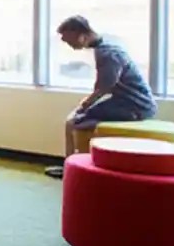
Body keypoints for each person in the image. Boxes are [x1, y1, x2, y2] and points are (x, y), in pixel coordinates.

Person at [45, 15, 158, 179]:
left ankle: (75, 168)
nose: (69, 45)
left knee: (73, 121)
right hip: (129, 102)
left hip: (135, 106)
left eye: (70, 41)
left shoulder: (108, 53)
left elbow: (105, 86)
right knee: (75, 119)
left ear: (81, 35)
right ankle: (73, 165)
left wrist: (85, 105)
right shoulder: (106, 48)